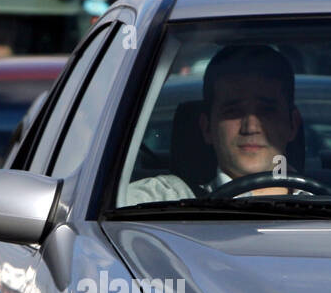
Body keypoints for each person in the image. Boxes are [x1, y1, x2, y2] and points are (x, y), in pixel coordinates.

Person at [123, 43, 302, 205]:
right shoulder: (159, 200)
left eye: (266, 111)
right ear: (207, 127)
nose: (251, 128)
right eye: (233, 112)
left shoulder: (329, 208)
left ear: (292, 125)